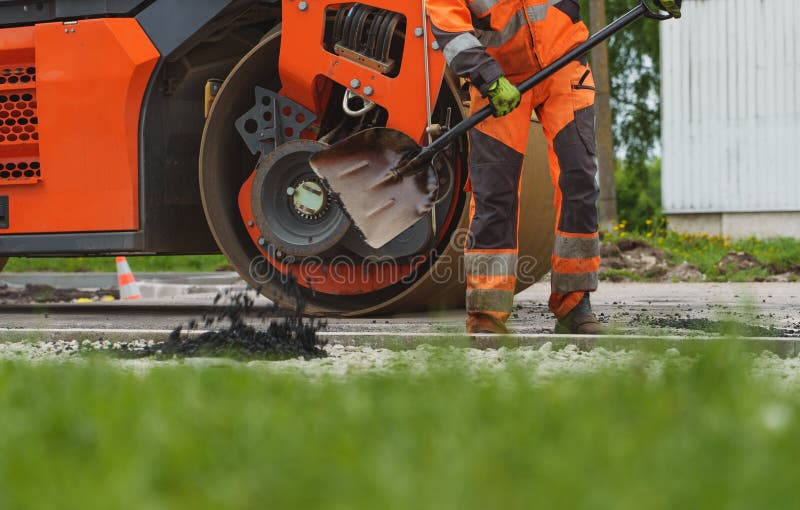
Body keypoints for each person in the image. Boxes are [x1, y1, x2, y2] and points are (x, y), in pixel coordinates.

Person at [425, 0, 681, 334]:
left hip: (564, 64)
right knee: (494, 195)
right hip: (498, 78)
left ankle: (575, 304)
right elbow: (450, 26)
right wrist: (487, 77)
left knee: (578, 180)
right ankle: (486, 314)